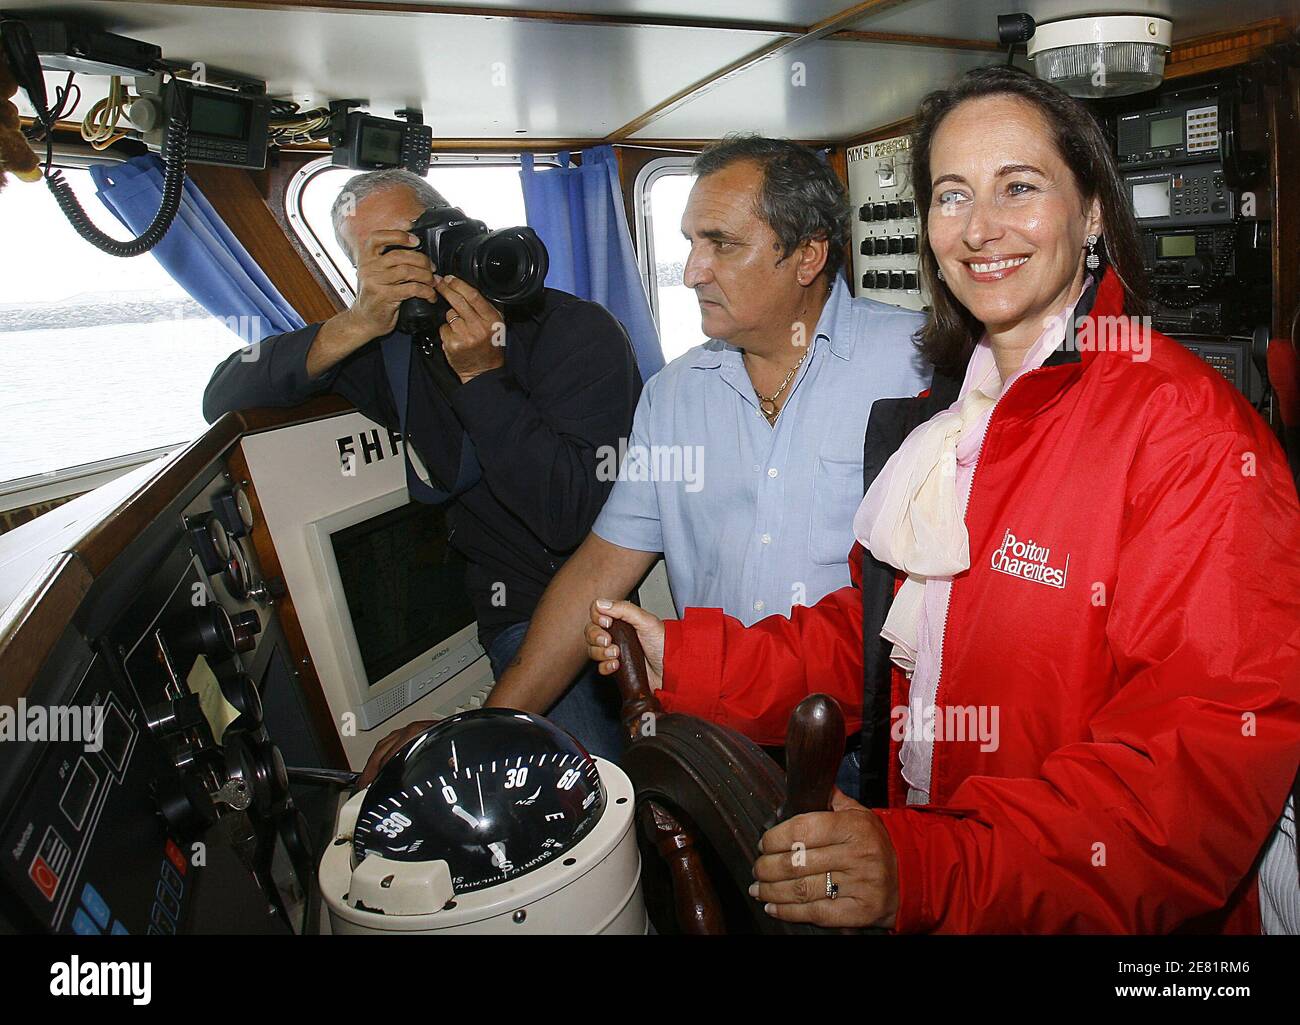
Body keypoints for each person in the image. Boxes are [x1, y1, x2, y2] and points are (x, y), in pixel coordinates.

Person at [584, 67, 1300, 933]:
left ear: (1095, 211)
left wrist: (932, 867)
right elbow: (878, 635)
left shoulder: (1187, 431)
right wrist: (694, 661)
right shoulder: (943, 422)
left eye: (1019, 188)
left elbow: (1187, 781)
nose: (982, 228)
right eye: (952, 195)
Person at [360, 137, 931, 786]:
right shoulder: (673, 395)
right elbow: (598, 571)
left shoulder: (915, 365)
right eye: (689, 242)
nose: (692, 270)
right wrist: (488, 727)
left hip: (863, 741)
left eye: (721, 244)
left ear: (808, 255)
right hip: (718, 730)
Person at [203, 168, 640, 761]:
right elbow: (224, 395)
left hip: (601, 602)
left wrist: (483, 377)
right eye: (381, 255)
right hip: (513, 608)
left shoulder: (576, 331)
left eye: (414, 239)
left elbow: (566, 516)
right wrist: (358, 322)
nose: (407, 263)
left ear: (454, 230)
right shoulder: (388, 353)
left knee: (585, 784)